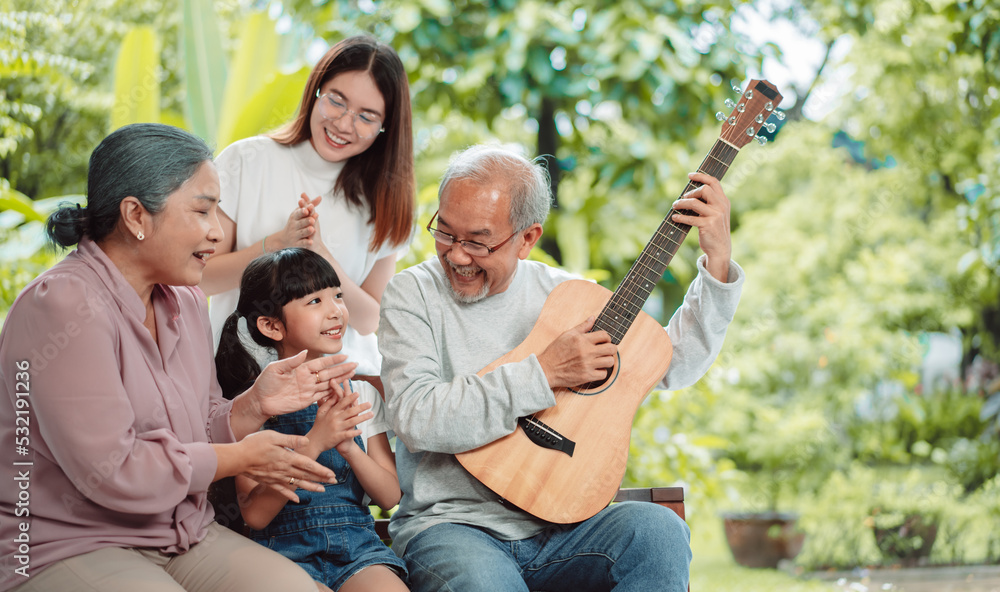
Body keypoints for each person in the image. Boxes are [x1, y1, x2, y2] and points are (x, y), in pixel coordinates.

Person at [0, 123, 359, 592]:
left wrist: (254, 404)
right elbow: (113, 471)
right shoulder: (63, 305)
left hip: (181, 533)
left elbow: (195, 428)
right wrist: (236, 457)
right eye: (203, 211)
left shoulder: (184, 300)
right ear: (135, 216)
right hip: (66, 543)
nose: (217, 232)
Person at [377, 145, 746, 591]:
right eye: (445, 232)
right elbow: (417, 417)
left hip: (564, 530)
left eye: (477, 241)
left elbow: (670, 364)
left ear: (528, 238)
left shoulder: (570, 298)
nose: (456, 255)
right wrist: (544, 373)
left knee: (658, 532)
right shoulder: (412, 294)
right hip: (454, 527)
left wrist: (718, 264)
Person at [202, 34, 415, 380]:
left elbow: (370, 321)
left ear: (385, 127)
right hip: (237, 386)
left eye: (367, 116)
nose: (344, 124)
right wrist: (275, 245)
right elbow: (201, 279)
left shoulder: (385, 200)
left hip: (338, 390)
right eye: (337, 101)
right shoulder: (247, 160)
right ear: (316, 90)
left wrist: (321, 255)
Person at [214, 248, 407, 592]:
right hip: (283, 553)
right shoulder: (253, 407)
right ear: (272, 325)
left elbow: (391, 496)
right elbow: (255, 515)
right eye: (314, 302)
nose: (335, 311)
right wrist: (317, 440)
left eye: (337, 296)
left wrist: (348, 446)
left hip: (357, 548)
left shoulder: (360, 396)